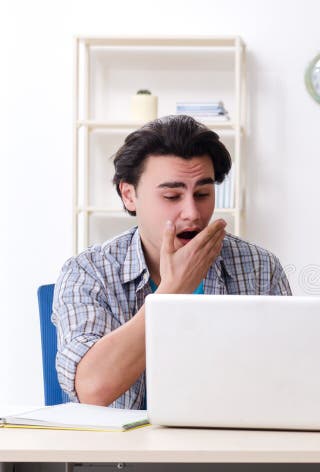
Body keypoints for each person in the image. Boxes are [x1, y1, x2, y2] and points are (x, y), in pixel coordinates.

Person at [53, 115, 291, 409]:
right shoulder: (89, 272)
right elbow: (93, 389)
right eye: (171, 195)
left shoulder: (259, 267)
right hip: (126, 455)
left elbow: (287, 387)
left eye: (203, 193)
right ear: (129, 195)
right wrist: (171, 293)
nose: (192, 212)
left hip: (231, 449)